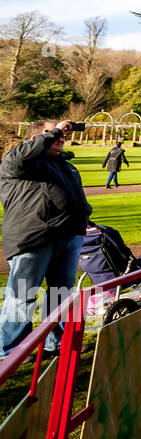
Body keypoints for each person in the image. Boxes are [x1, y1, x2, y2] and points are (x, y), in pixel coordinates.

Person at [0, 120, 92, 357]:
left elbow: (75, 198)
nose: (61, 137)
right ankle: (11, 349)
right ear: (33, 139)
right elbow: (22, 157)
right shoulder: (18, 161)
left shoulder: (64, 165)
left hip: (68, 237)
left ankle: (57, 342)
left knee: (61, 294)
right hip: (34, 238)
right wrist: (54, 131)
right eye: (53, 134)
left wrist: (84, 219)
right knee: (22, 295)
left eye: (62, 134)